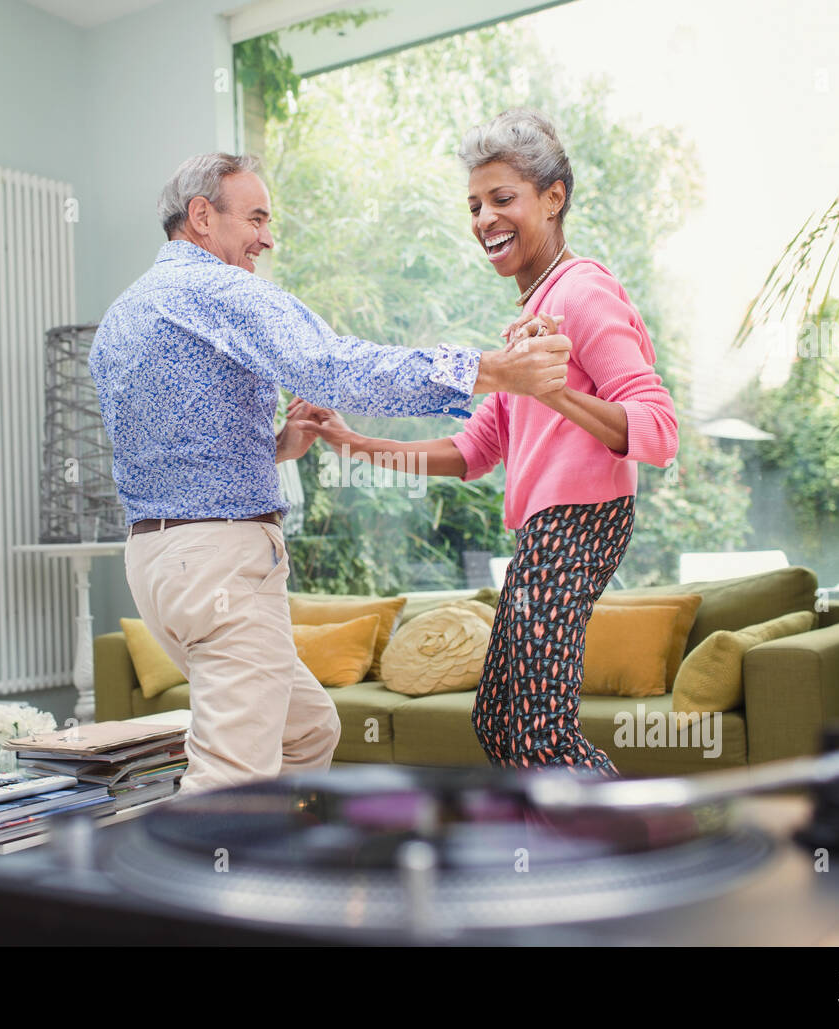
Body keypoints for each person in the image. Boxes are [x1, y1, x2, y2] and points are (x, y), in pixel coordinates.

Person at [89, 151, 576, 797]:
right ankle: (198, 888)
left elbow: (175, 447)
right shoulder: (218, 289)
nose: (267, 236)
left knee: (308, 727)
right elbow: (336, 367)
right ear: (201, 216)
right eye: (256, 217)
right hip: (219, 560)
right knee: (229, 779)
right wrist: (491, 370)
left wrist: (280, 446)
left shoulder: (121, 318)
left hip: (155, 563)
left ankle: (273, 873)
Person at [294, 109, 679, 775]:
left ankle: (631, 855)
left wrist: (553, 390)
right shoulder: (527, 324)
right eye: (475, 204)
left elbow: (659, 428)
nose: (484, 218)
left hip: (579, 522)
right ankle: (555, 852)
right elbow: (471, 451)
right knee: (497, 717)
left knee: (536, 730)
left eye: (503, 199)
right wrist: (350, 441)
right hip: (545, 529)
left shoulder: (582, 293)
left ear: (553, 198)